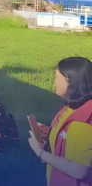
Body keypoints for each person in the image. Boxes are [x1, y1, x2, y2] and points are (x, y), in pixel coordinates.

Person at [28, 57, 92, 185]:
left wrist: (40, 153)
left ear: (71, 81)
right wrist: (51, 134)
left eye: (57, 76)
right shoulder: (71, 108)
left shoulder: (84, 121)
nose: (54, 81)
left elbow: (79, 170)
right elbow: (70, 138)